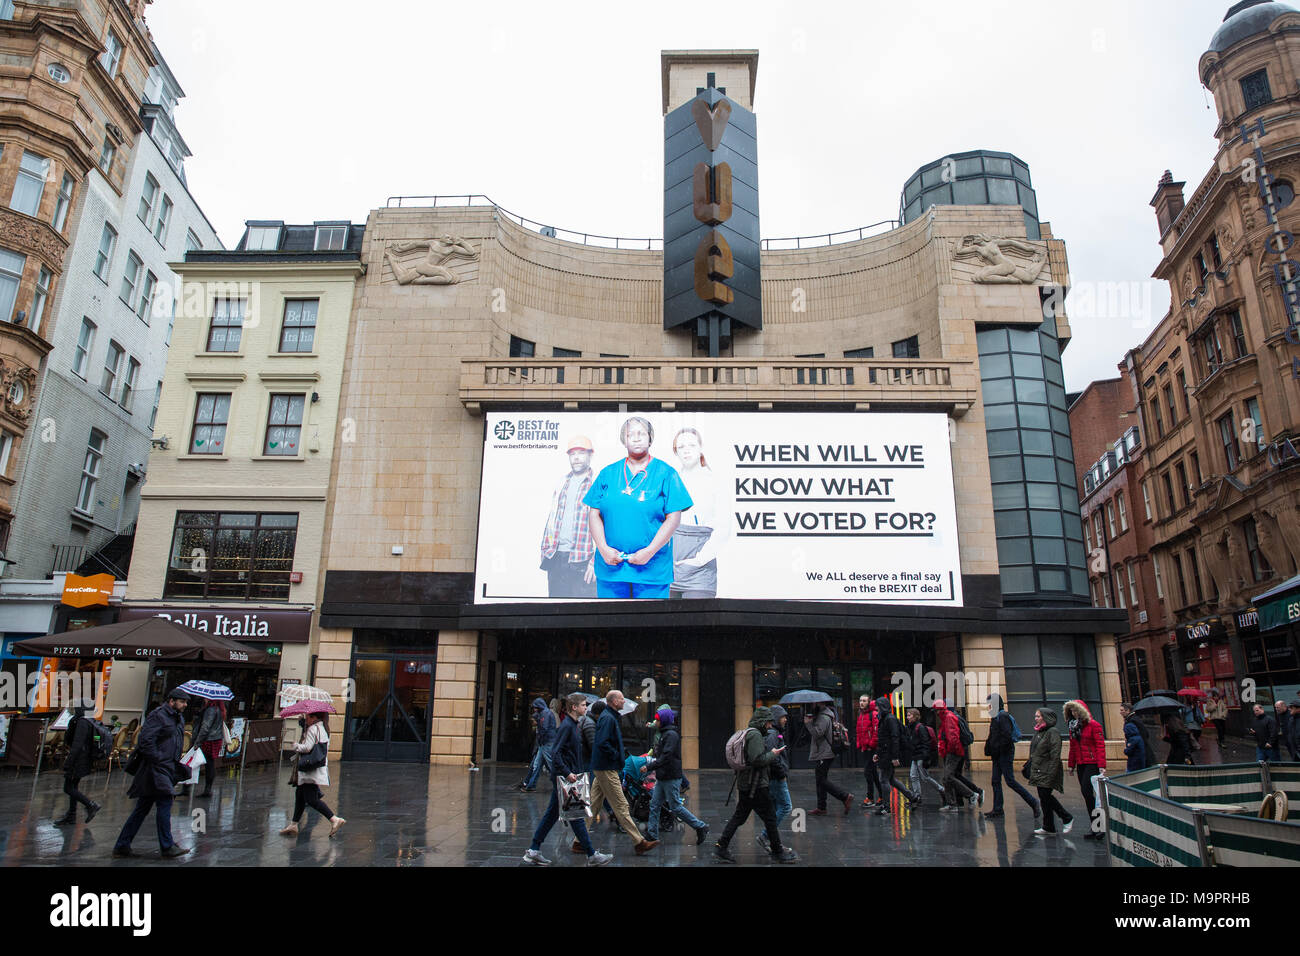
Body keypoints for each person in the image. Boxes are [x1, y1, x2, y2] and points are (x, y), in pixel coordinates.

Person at [584, 416, 692, 599]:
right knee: (611, 623)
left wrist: (649, 552)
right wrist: (603, 549)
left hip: (652, 568)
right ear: (623, 440)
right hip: (612, 567)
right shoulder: (608, 473)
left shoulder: (666, 473)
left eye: (642, 433)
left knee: (652, 624)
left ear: (650, 438)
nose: (636, 438)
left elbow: (674, 517)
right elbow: (594, 513)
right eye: (630, 434)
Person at [522, 693, 612, 866]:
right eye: (584, 705)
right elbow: (555, 753)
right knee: (577, 816)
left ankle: (534, 849)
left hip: (567, 777)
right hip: (566, 779)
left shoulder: (574, 725)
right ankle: (592, 855)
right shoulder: (567, 727)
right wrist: (567, 772)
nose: (586, 707)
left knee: (552, 815)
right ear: (574, 707)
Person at [113, 687, 191, 858]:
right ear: (172, 701)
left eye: (186, 702)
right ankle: (167, 845)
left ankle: (122, 845)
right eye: (182, 701)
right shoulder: (158, 715)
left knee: (142, 808)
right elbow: (145, 740)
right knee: (165, 802)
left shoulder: (177, 718)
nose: (185, 705)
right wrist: (158, 758)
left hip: (166, 767)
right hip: (156, 768)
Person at [715, 707, 796, 863]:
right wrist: (773, 754)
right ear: (762, 722)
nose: (770, 726)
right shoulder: (755, 735)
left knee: (739, 817)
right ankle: (778, 852)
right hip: (756, 785)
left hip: (747, 783)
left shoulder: (751, 732)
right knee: (770, 818)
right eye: (768, 723)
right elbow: (757, 760)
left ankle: (721, 846)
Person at [588, 690, 655, 853]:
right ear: (613, 701)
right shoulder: (608, 718)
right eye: (621, 699)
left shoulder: (609, 717)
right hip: (607, 767)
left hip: (602, 766)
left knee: (594, 805)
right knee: (621, 804)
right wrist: (617, 755)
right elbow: (603, 743)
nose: (624, 701)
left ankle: (578, 840)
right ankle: (639, 842)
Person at [669, 427, 730, 598]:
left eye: (691, 445)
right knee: (662, 623)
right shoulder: (670, 479)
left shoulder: (715, 482)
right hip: (668, 569)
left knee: (695, 622)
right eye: (681, 447)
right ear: (676, 452)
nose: (686, 450)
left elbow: (724, 528)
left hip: (699, 572)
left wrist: (698, 561)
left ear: (701, 447)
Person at [538, 437, 597, 598]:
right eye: (573, 454)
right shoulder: (562, 483)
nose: (576, 457)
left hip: (583, 561)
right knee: (556, 612)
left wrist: (596, 562)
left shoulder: (597, 484)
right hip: (556, 558)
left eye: (581, 453)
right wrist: (545, 550)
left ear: (590, 455)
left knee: (584, 615)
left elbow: (607, 527)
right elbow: (552, 519)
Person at [643, 706, 708, 845]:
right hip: (663, 776)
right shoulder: (666, 733)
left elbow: (666, 756)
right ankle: (652, 834)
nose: (656, 723)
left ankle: (700, 826)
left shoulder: (670, 735)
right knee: (654, 804)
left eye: (658, 720)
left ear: (664, 721)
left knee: (675, 807)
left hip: (670, 777)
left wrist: (649, 767)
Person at [279, 710, 345, 838]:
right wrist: (302, 723)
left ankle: (334, 819)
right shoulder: (323, 728)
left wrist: (296, 745)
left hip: (310, 770)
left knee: (311, 799)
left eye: (307, 716)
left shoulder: (313, 729)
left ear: (313, 717)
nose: (306, 719)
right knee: (300, 795)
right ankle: (293, 824)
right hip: (316, 768)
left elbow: (308, 747)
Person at [983, 693, 1040, 825]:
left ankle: (1033, 802)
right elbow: (994, 735)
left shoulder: (1002, 716)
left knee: (1010, 781)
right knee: (995, 781)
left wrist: (996, 748)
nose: (989, 705)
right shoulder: (996, 715)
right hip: (998, 754)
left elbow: (1006, 736)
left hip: (1004, 754)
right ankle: (998, 809)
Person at [1063, 700, 1106, 840]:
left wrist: (1101, 765)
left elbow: (1100, 745)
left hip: (1092, 762)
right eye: (1072, 711)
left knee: (1088, 792)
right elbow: (1073, 747)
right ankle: (1096, 826)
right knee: (1087, 795)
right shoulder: (1073, 726)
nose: (1074, 714)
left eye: (1076, 711)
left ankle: (1099, 826)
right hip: (1081, 763)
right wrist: (1071, 764)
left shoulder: (1093, 725)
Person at [1028, 707, 1073, 836]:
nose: (1036, 718)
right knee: (1043, 797)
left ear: (1046, 717)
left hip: (1047, 770)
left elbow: (1055, 754)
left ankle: (1066, 817)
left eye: (1038, 716)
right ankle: (1048, 826)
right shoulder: (1039, 732)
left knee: (1046, 796)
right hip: (1039, 769)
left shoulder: (1052, 732)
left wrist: (1051, 772)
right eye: (1036, 716)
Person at [55, 703, 100, 826]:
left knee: (68, 788)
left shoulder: (82, 722)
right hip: (84, 758)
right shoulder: (89, 720)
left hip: (78, 760)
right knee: (73, 787)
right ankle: (71, 815)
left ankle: (91, 804)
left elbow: (77, 744)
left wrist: (69, 762)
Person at [872, 696, 919, 813]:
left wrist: (894, 757)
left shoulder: (889, 719)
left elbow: (895, 738)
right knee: (891, 779)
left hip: (888, 754)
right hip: (884, 753)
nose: (876, 708)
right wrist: (878, 753)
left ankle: (886, 806)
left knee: (883, 779)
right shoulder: (884, 719)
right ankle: (913, 797)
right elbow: (882, 738)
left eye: (878, 706)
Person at [805, 702, 853, 815]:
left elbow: (818, 733)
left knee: (821, 779)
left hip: (825, 753)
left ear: (819, 704)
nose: (812, 706)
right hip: (823, 752)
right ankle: (821, 807)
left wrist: (808, 724)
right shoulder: (824, 715)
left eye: (813, 704)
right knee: (820, 779)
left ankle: (845, 796)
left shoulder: (823, 717)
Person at [934, 700, 981, 810]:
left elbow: (953, 737)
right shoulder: (946, 717)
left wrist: (950, 750)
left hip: (953, 752)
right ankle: (952, 804)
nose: (935, 713)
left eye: (936, 710)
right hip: (952, 751)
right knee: (947, 778)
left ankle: (971, 794)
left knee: (948, 777)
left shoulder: (949, 717)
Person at [759, 704, 792, 851]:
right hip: (776, 778)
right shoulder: (773, 734)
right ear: (777, 718)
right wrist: (781, 774)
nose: (785, 719)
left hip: (772, 777)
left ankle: (773, 840)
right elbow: (772, 755)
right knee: (785, 806)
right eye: (783, 717)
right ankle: (765, 836)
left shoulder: (774, 732)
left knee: (773, 810)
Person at [906, 708, 946, 805]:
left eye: (909, 715)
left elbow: (926, 743)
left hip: (920, 756)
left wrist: (925, 757)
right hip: (915, 756)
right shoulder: (911, 727)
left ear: (915, 716)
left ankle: (941, 789)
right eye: (907, 715)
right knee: (913, 776)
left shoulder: (920, 727)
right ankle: (917, 796)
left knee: (925, 777)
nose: (907, 717)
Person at [515, 697, 556, 792]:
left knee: (549, 764)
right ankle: (531, 785)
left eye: (535, 707)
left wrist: (540, 738)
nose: (534, 709)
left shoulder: (544, 714)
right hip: (545, 742)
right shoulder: (545, 713)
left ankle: (559, 783)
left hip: (546, 743)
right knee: (538, 764)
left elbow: (544, 728)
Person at [191, 698, 227, 798]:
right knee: (210, 764)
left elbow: (205, 727)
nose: (204, 699)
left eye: (206, 698)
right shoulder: (219, 709)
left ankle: (203, 789)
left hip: (208, 740)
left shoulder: (211, 710)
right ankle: (207, 789)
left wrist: (197, 741)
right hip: (215, 739)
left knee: (198, 762)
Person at [855, 693, 882, 807]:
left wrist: (871, 744)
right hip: (865, 748)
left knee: (868, 772)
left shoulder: (873, 714)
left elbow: (876, 732)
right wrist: (860, 744)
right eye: (860, 700)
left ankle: (870, 797)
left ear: (869, 701)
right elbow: (859, 731)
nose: (862, 703)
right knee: (873, 773)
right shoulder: (861, 715)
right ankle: (881, 795)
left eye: (864, 701)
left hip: (871, 748)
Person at [1120, 702, 1149, 772]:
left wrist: (1128, 747)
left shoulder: (1132, 721)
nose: (1120, 712)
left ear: (1128, 710)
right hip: (1140, 752)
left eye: (1122, 710)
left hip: (1137, 754)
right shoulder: (1133, 719)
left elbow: (1137, 737)